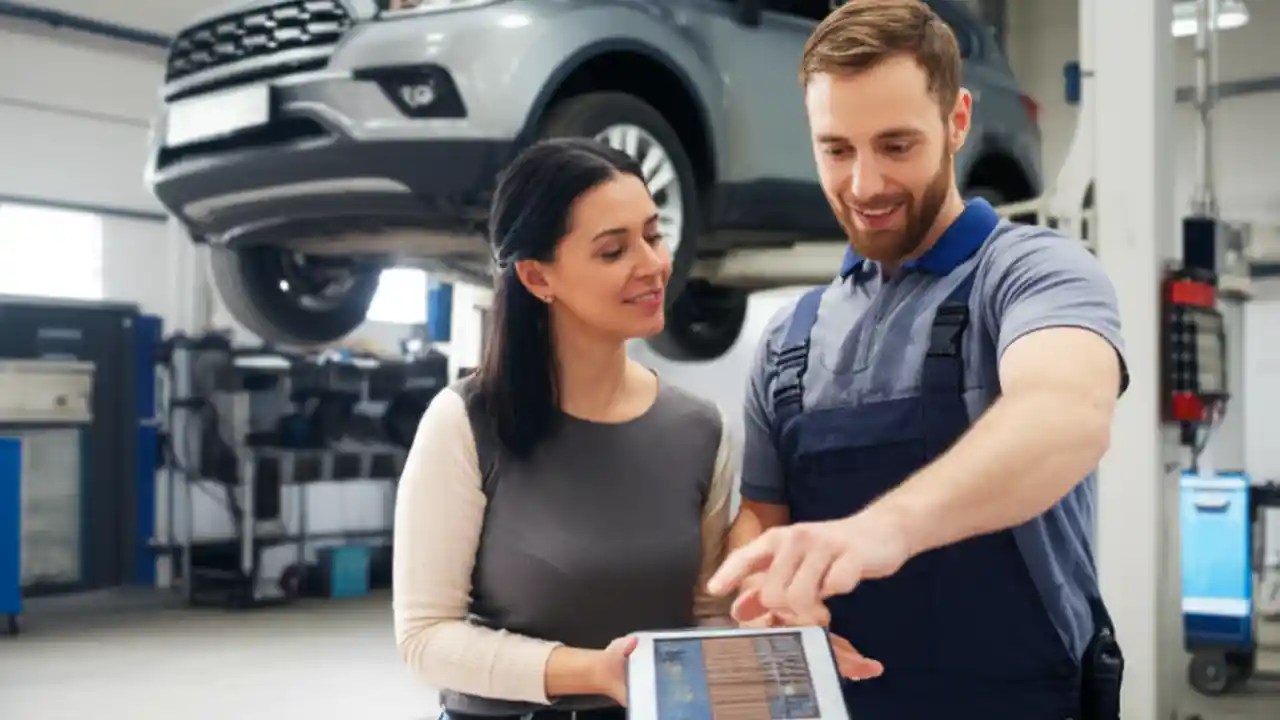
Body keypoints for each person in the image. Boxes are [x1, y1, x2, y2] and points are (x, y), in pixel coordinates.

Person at [706, 1, 1128, 718]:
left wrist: (881, 531)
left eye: (896, 146)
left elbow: (1066, 414)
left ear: (958, 121)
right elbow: (761, 520)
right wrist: (771, 610)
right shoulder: (789, 338)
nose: (865, 185)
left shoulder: (1035, 274)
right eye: (837, 150)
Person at [391, 137, 738, 720]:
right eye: (613, 251)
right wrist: (590, 672)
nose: (653, 265)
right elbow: (426, 637)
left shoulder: (701, 431)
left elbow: (709, 617)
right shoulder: (466, 422)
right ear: (536, 277)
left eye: (653, 235)